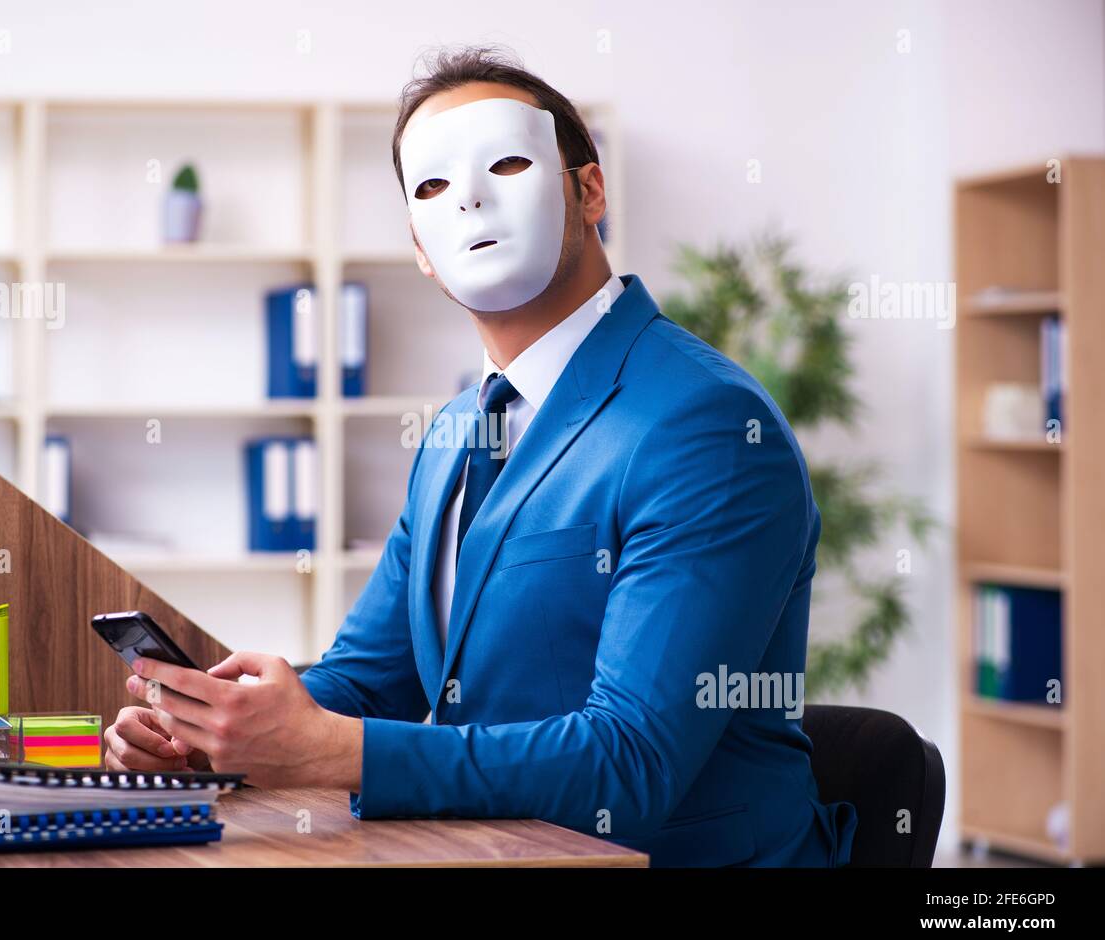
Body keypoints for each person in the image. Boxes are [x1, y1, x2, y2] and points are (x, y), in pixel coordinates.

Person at [105, 45, 856, 867]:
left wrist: (327, 750)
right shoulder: (459, 431)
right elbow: (365, 679)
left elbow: (629, 764)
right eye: (433, 187)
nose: (470, 200)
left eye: (505, 162)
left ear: (590, 188)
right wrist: (221, 731)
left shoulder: (704, 424)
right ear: (421, 248)